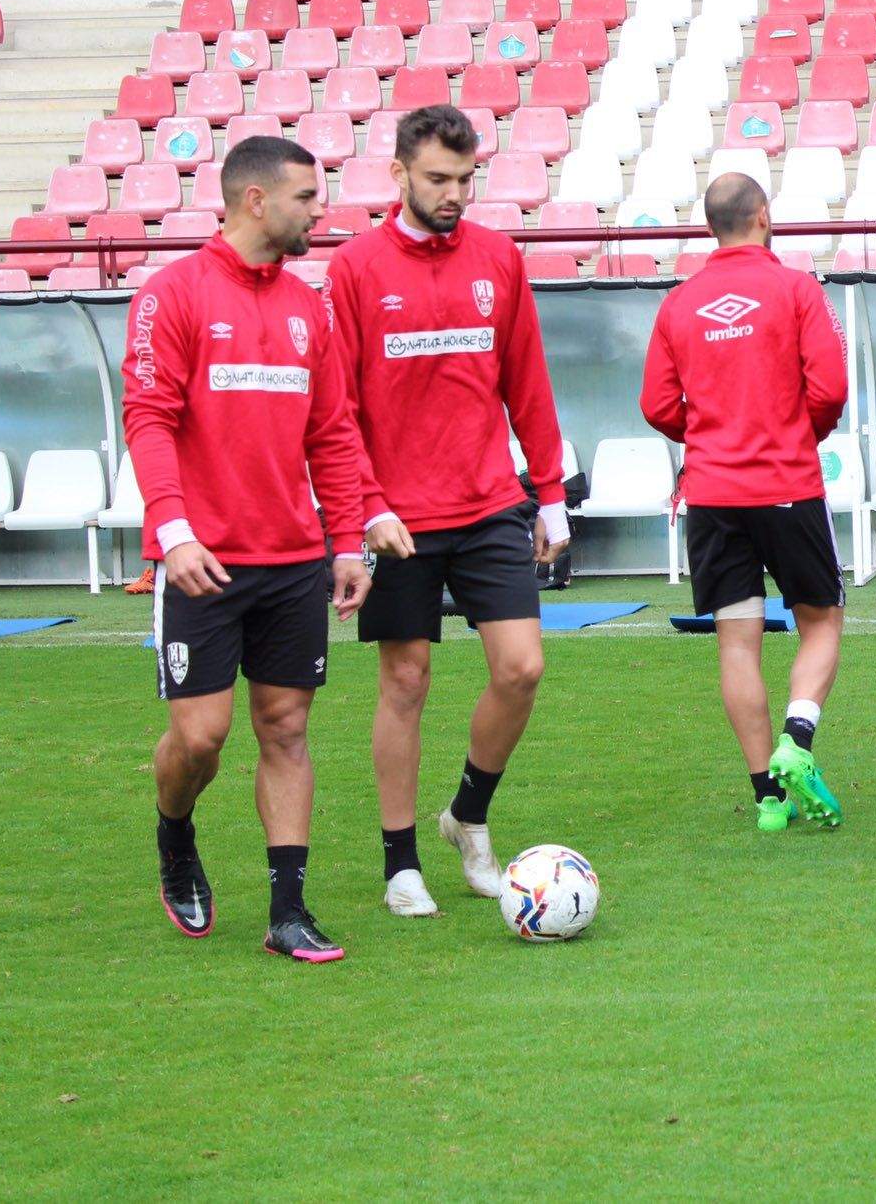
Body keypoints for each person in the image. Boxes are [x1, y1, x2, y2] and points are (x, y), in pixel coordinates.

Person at [122, 135, 410, 963]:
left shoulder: (307, 307)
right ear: (256, 200)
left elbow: (333, 432)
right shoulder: (172, 293)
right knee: (202, 738)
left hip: (292, 560)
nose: (321, 211)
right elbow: (149, 418)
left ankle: (289, 912)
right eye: (306, 197)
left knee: (285, 729)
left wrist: (346, 541)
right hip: (201, 560)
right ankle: (175, 830)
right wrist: (173, 531)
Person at [327, 105, 570, 916]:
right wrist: (365, 508)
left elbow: (527, 382)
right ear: (398, 174)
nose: (454, 194)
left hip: (490, 501)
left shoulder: (498, 258)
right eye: (438, 178)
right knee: (406, 680)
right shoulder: (355, 269)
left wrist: (551, 495)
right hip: (396, 516)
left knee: (522, 668)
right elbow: (338, 410)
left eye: (466, 179)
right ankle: (401, 864)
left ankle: (467, 814)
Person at [640, 174, 850, 832]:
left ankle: (768, 799)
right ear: (763, 215)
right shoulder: (796, 289)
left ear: (711, 225)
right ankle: (797, 739)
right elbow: (830, 388)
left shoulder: (679, 303)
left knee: (738, 643)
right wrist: (798, 432)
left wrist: (708, 434)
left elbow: (656, 404)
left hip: (711, 494)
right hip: (786, 484)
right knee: (822, 621)